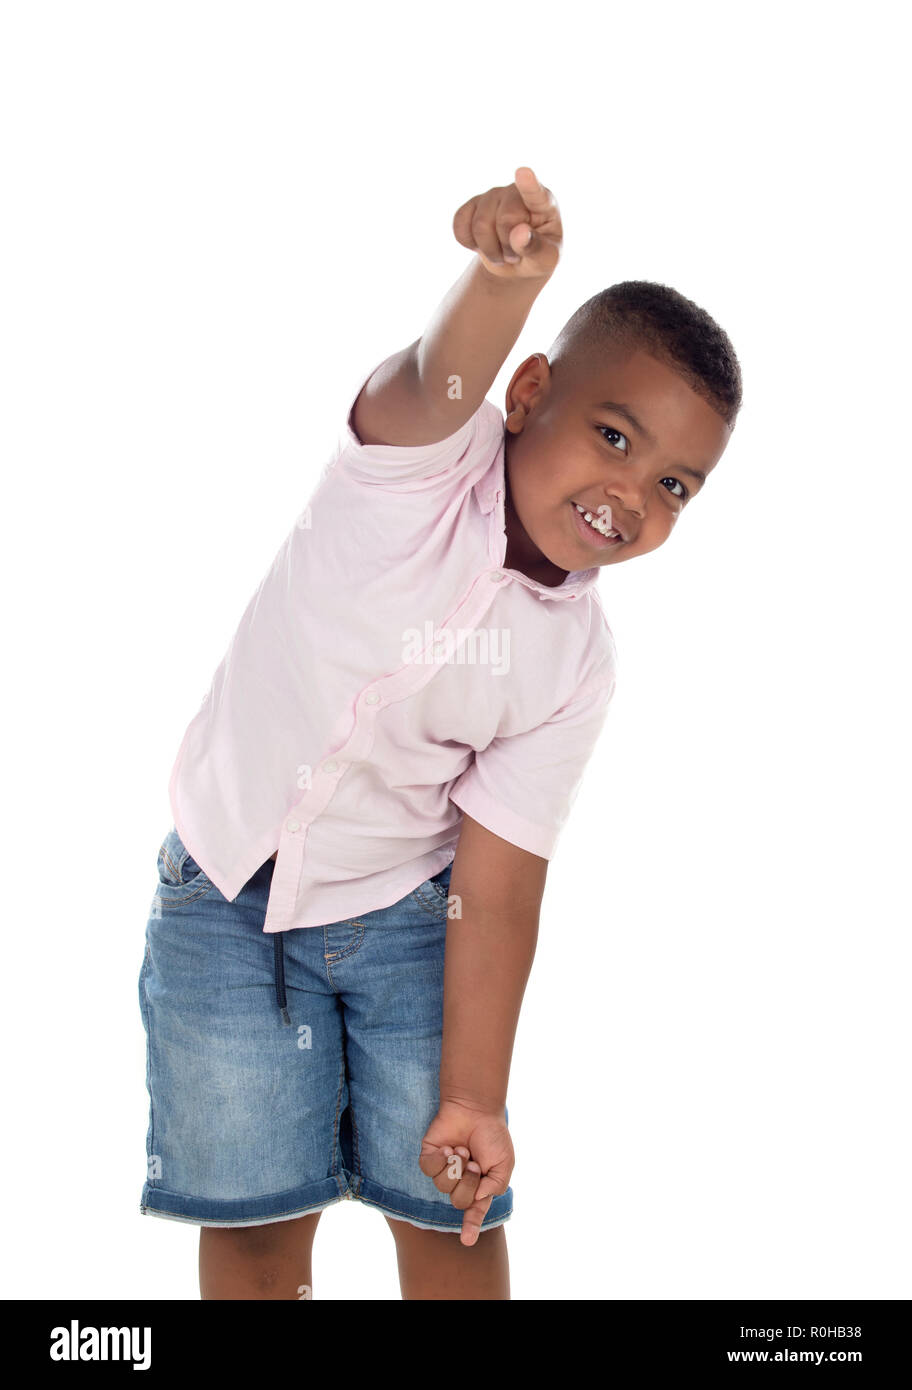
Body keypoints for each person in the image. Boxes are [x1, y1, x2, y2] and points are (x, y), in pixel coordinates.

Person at [138, 166, 741, 1300]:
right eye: (612, 435)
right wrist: (502, 279)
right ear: (526, 396)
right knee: (257, 1225)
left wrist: (474, 1091)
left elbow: (500, 881)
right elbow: (439, 370)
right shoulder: (415, 464)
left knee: (450, 1209)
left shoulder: (575, 663)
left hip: (411, 924)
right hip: (222, 897)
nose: (633, 495)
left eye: (673, 484)